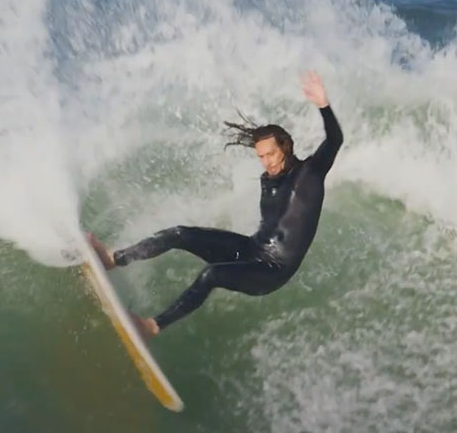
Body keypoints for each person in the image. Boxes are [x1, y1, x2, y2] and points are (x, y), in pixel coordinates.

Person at [90, 70, 343, 339]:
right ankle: (114, 259)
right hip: (251, 249)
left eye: (271, 154)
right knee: (179, 233)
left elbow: (334, 140)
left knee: (212, 275)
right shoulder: (268, 180)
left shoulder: (310, 173)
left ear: (286, 147)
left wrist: (323, 105)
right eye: (261, 156)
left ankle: (152, 326)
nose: (266, 162)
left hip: (273, 270)